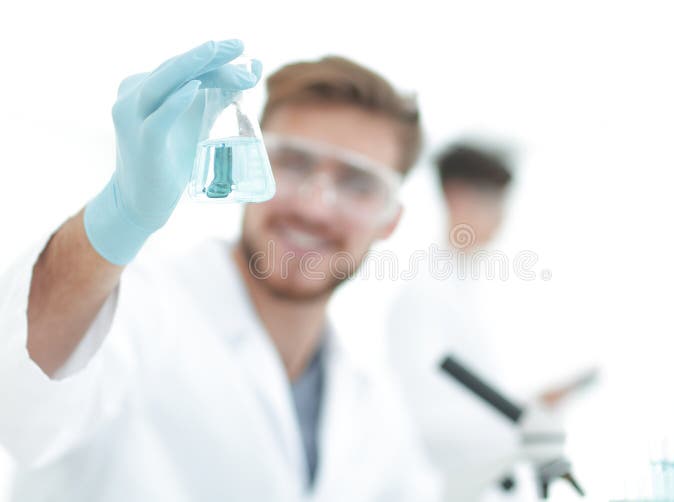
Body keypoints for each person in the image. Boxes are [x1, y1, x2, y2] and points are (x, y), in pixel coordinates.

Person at [0, 40, 439, 501]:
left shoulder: (375, 403)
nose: (313, 207)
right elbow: (20, 407)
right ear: (250, 161)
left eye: (357, 183)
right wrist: (118, 219)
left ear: (390, 221)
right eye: (293, 163)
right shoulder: (142, 309)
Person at [386, 143, 566, 501]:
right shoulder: (423, 295)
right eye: (492, 202)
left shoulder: (466, 288)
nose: (501, 218)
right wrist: (520, 420)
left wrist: (524, 410)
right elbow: (424, 420)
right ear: (457, 197)